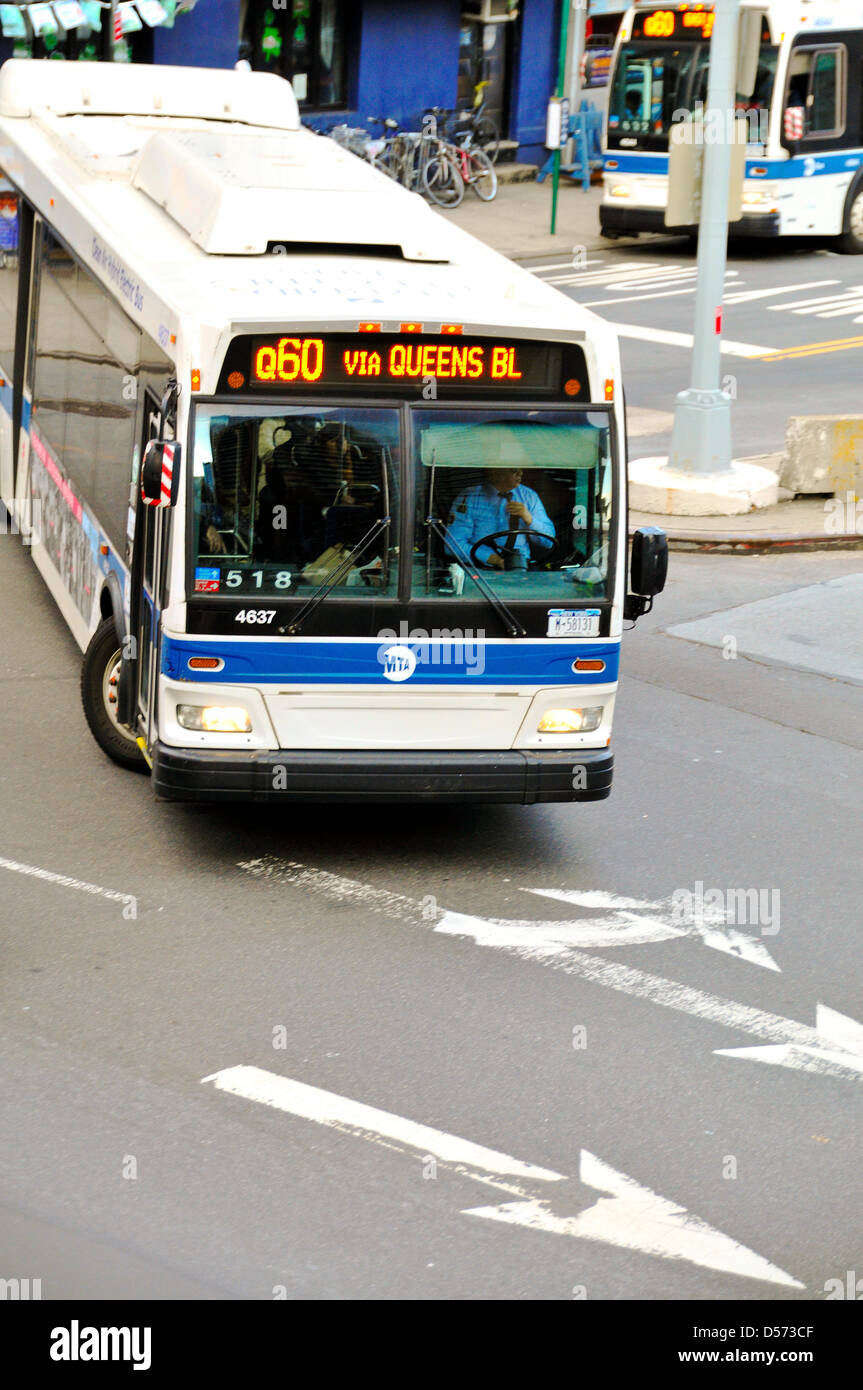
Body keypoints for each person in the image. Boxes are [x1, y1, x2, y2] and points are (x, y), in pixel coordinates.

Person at [444, 467, 555, 570]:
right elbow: (452, 545)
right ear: (495, 472)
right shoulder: (471, 497)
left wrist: (529, 519)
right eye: (514, 470)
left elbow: (549, 542)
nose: (520, 473)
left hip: (520, 568)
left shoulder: (529, 497)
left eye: (520, 469)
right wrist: (493, 559)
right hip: (481, 569)